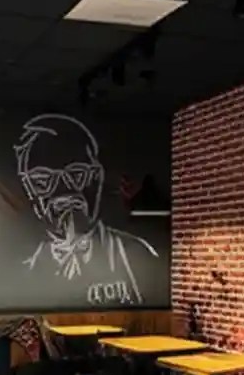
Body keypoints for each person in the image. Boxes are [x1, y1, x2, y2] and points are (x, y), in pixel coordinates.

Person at [14, 113, 158, 305]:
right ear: (28, 189)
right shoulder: (23, 274)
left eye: (76, 174)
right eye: (43, 180)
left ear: (97, 178)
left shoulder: (136, 256)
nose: (63, 189)